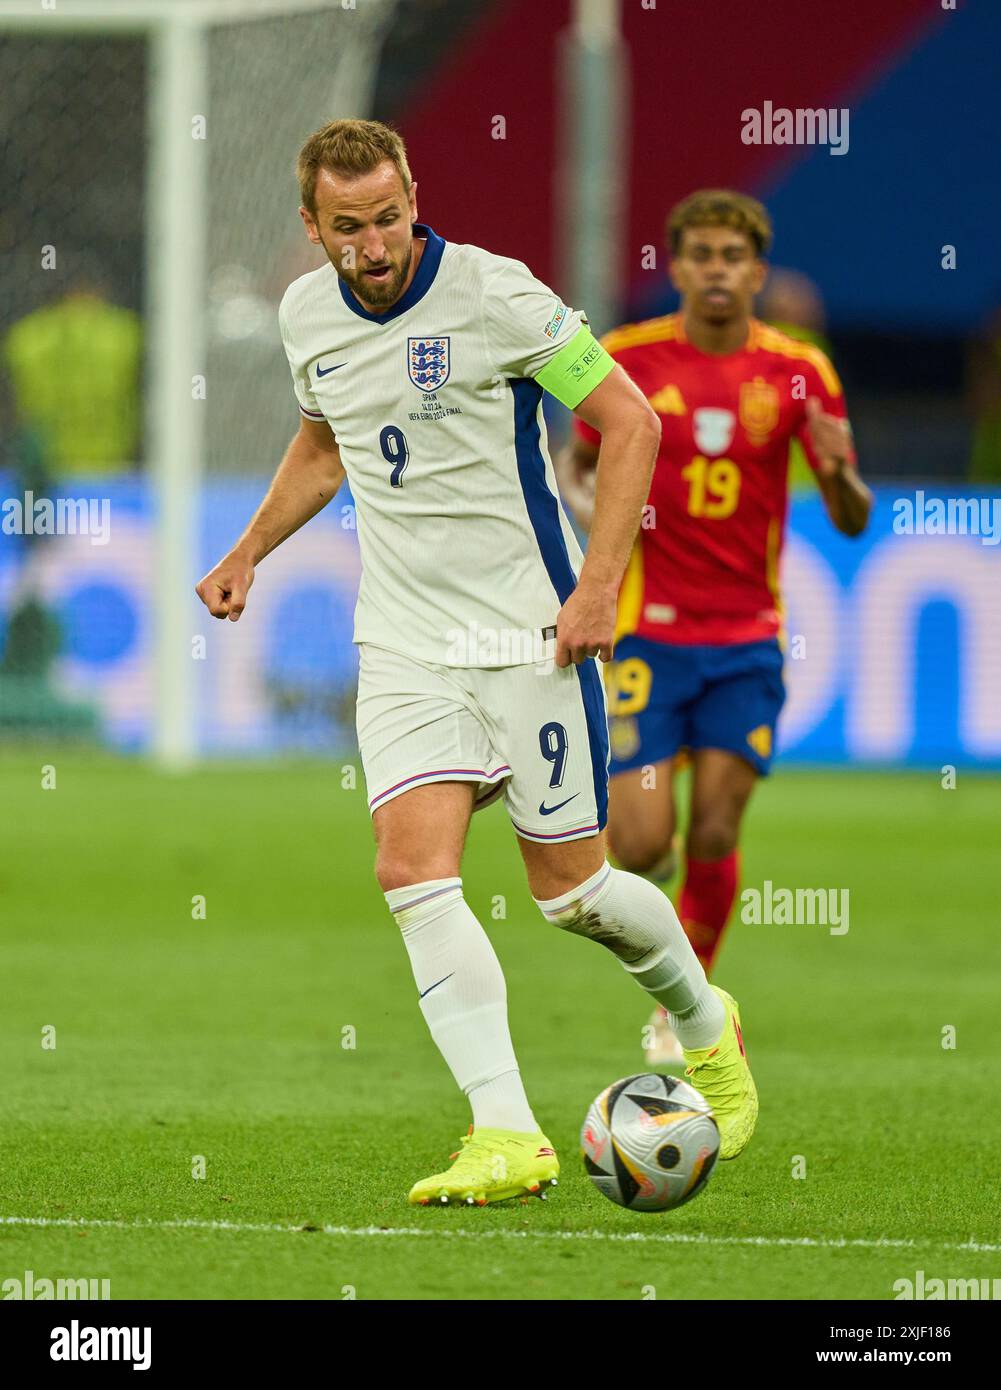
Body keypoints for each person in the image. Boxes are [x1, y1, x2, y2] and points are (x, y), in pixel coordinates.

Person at [196, 124, 757, 1205]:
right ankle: (504, 1131)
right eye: (346, 227)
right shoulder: (305, 313)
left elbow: (628, 420)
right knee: (412, 875)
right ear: (311, 228)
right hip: (402, 642)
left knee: (575, 895)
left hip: (524, 636)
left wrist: (596, 589)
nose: (372, 245)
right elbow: (325, 445)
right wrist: (247, 551)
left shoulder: (498, 296)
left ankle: (703, 1020)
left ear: (415, 196)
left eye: (388, 217)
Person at [559, 190, 871, 1065]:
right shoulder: (625, 358)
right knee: (641, 841)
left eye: (732, 256)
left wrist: (839, 470)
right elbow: (573, 466)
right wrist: (596, 522)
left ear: (756, 270)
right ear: (677, 266)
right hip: (646, 637)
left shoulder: (798, 371)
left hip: (745, 641)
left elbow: (851, 515)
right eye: (699, 254)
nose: (716, 270)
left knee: (717, 832)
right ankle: (662, 927)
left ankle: (683, 1012)